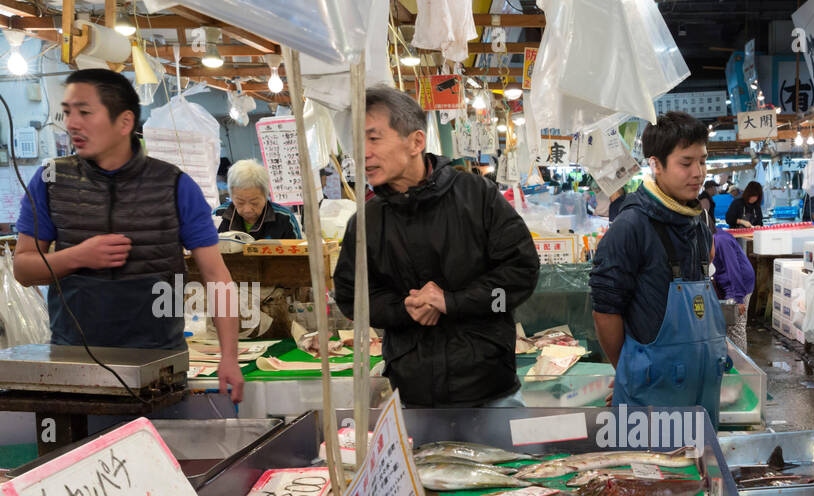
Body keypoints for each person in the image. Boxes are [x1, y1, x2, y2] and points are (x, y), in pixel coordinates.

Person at [13, 68, 244, 402]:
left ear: (124, 122)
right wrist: (78, 256)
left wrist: (229, 356)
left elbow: (216, 275)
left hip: (158, 364)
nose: (72, 123)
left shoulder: (175, 185)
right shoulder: (49, 180)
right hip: (74, 361)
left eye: (85, 112)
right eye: (67, 112)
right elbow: (23, 270)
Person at [333, 87, 539, 408]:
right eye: (359, 140)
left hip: (490, 389)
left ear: (416, 142)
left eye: (374, 139)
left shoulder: (477, 196)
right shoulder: (366, 222)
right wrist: (405, 308)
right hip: (412, 394)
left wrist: (452, 302)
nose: (364, 152)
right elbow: (351, 297)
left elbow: (520, 276)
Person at [589, 111, 727, 423]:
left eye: (702, 161)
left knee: (696, 470)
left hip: (702, 396)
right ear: (656, 164)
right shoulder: (630, 226)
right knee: (653, 473)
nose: (698, 172)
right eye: (686, 162)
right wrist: (628, 373)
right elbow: (605, 311)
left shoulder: (699, 223)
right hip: (650, 399)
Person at [212, 159, 304, 240]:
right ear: (231, 196)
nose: (247, 210)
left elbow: (299, 257)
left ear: (266, 195)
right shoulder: (218, 217)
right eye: (240, 202)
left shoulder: (284, 219)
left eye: (254, 203)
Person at [712, 223, 755, 353]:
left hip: (739, 284)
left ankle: (741, 366)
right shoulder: (710, 238)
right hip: (725, 283)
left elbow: (733, 269)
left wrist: (738, 298)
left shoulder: (721, 240)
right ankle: (730, 359)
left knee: (736, 326)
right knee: (726, 325)